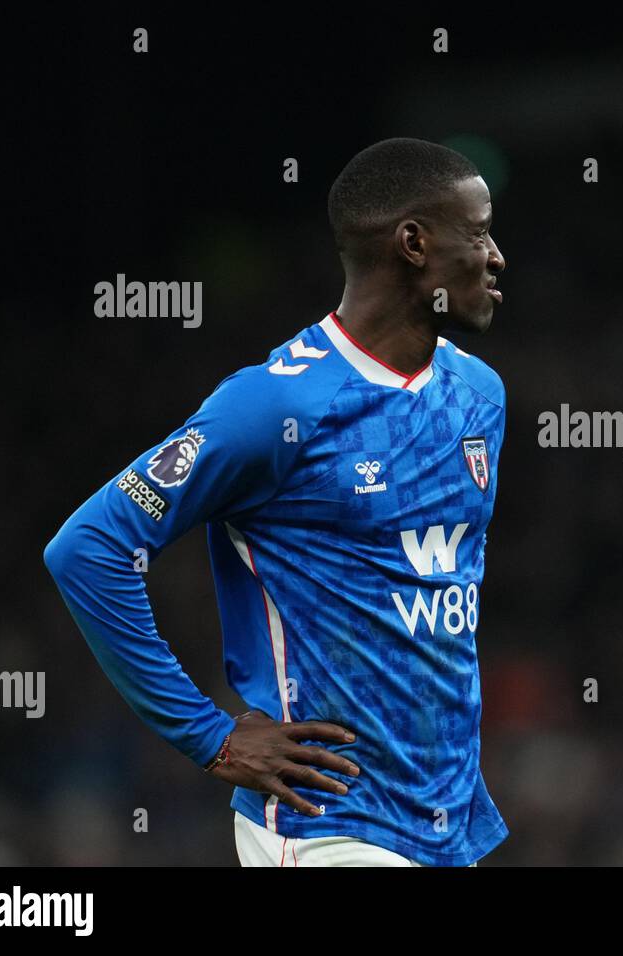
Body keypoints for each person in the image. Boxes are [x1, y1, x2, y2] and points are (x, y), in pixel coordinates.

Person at [44, 138, 509, 866]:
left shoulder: (480, 395)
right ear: (414, 243)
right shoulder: (275, 404)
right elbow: (88, 549)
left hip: (447, 823)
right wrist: (211, 736)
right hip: (325, 823)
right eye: (479, 233)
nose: (497, 256)